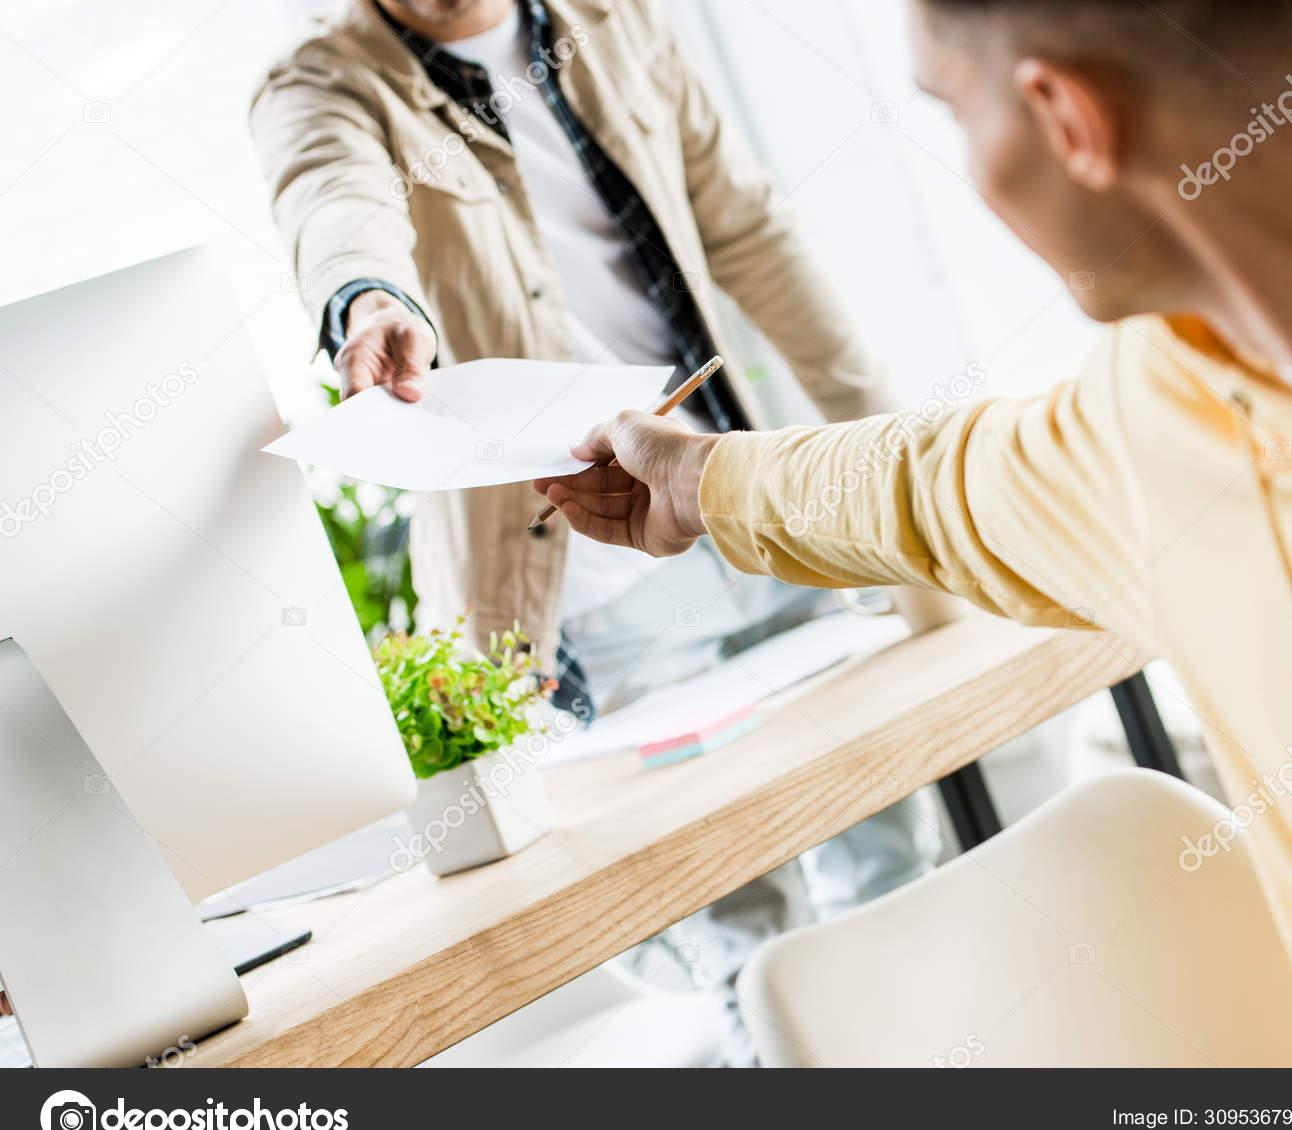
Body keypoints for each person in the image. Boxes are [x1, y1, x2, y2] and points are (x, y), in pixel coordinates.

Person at [535, 0, 1292, 1066]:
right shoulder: (1163, 420)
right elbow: (930, 486)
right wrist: (694, 480)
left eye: (953, 112)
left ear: (1066, 121)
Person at [251, 0, 940, 1065]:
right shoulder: (325, 80)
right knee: (745, 935)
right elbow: (332, 200)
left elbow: (750, 230)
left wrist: (892, 458)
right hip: (597, 583)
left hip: (740, 499)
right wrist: (365, 295)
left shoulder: (616, 19)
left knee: (893, 861)